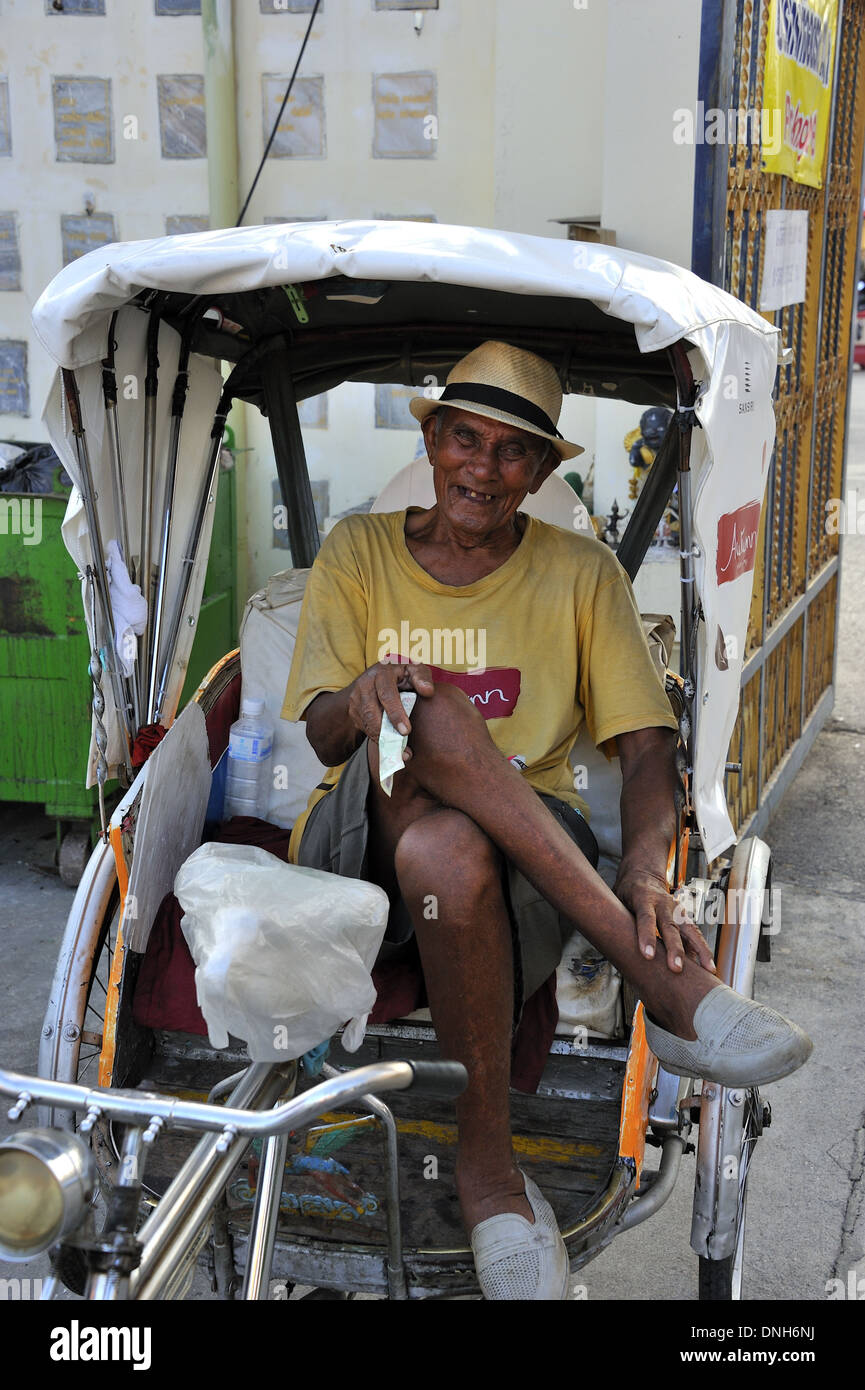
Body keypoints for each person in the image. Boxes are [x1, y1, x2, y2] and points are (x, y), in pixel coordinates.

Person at [281, 341, 812, 1300]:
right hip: (364, 844)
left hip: (517, 856)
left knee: (450, 837)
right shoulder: (358, 551)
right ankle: (660, 980)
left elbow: (647, 750)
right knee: (429, 709)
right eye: (462, 439)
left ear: (542, 471)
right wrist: (361, 697)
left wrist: (647, 870)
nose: (480, 469)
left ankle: (486, 1169)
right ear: (433, 440)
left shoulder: (580, 571)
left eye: (510, 452)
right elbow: (322, 737)